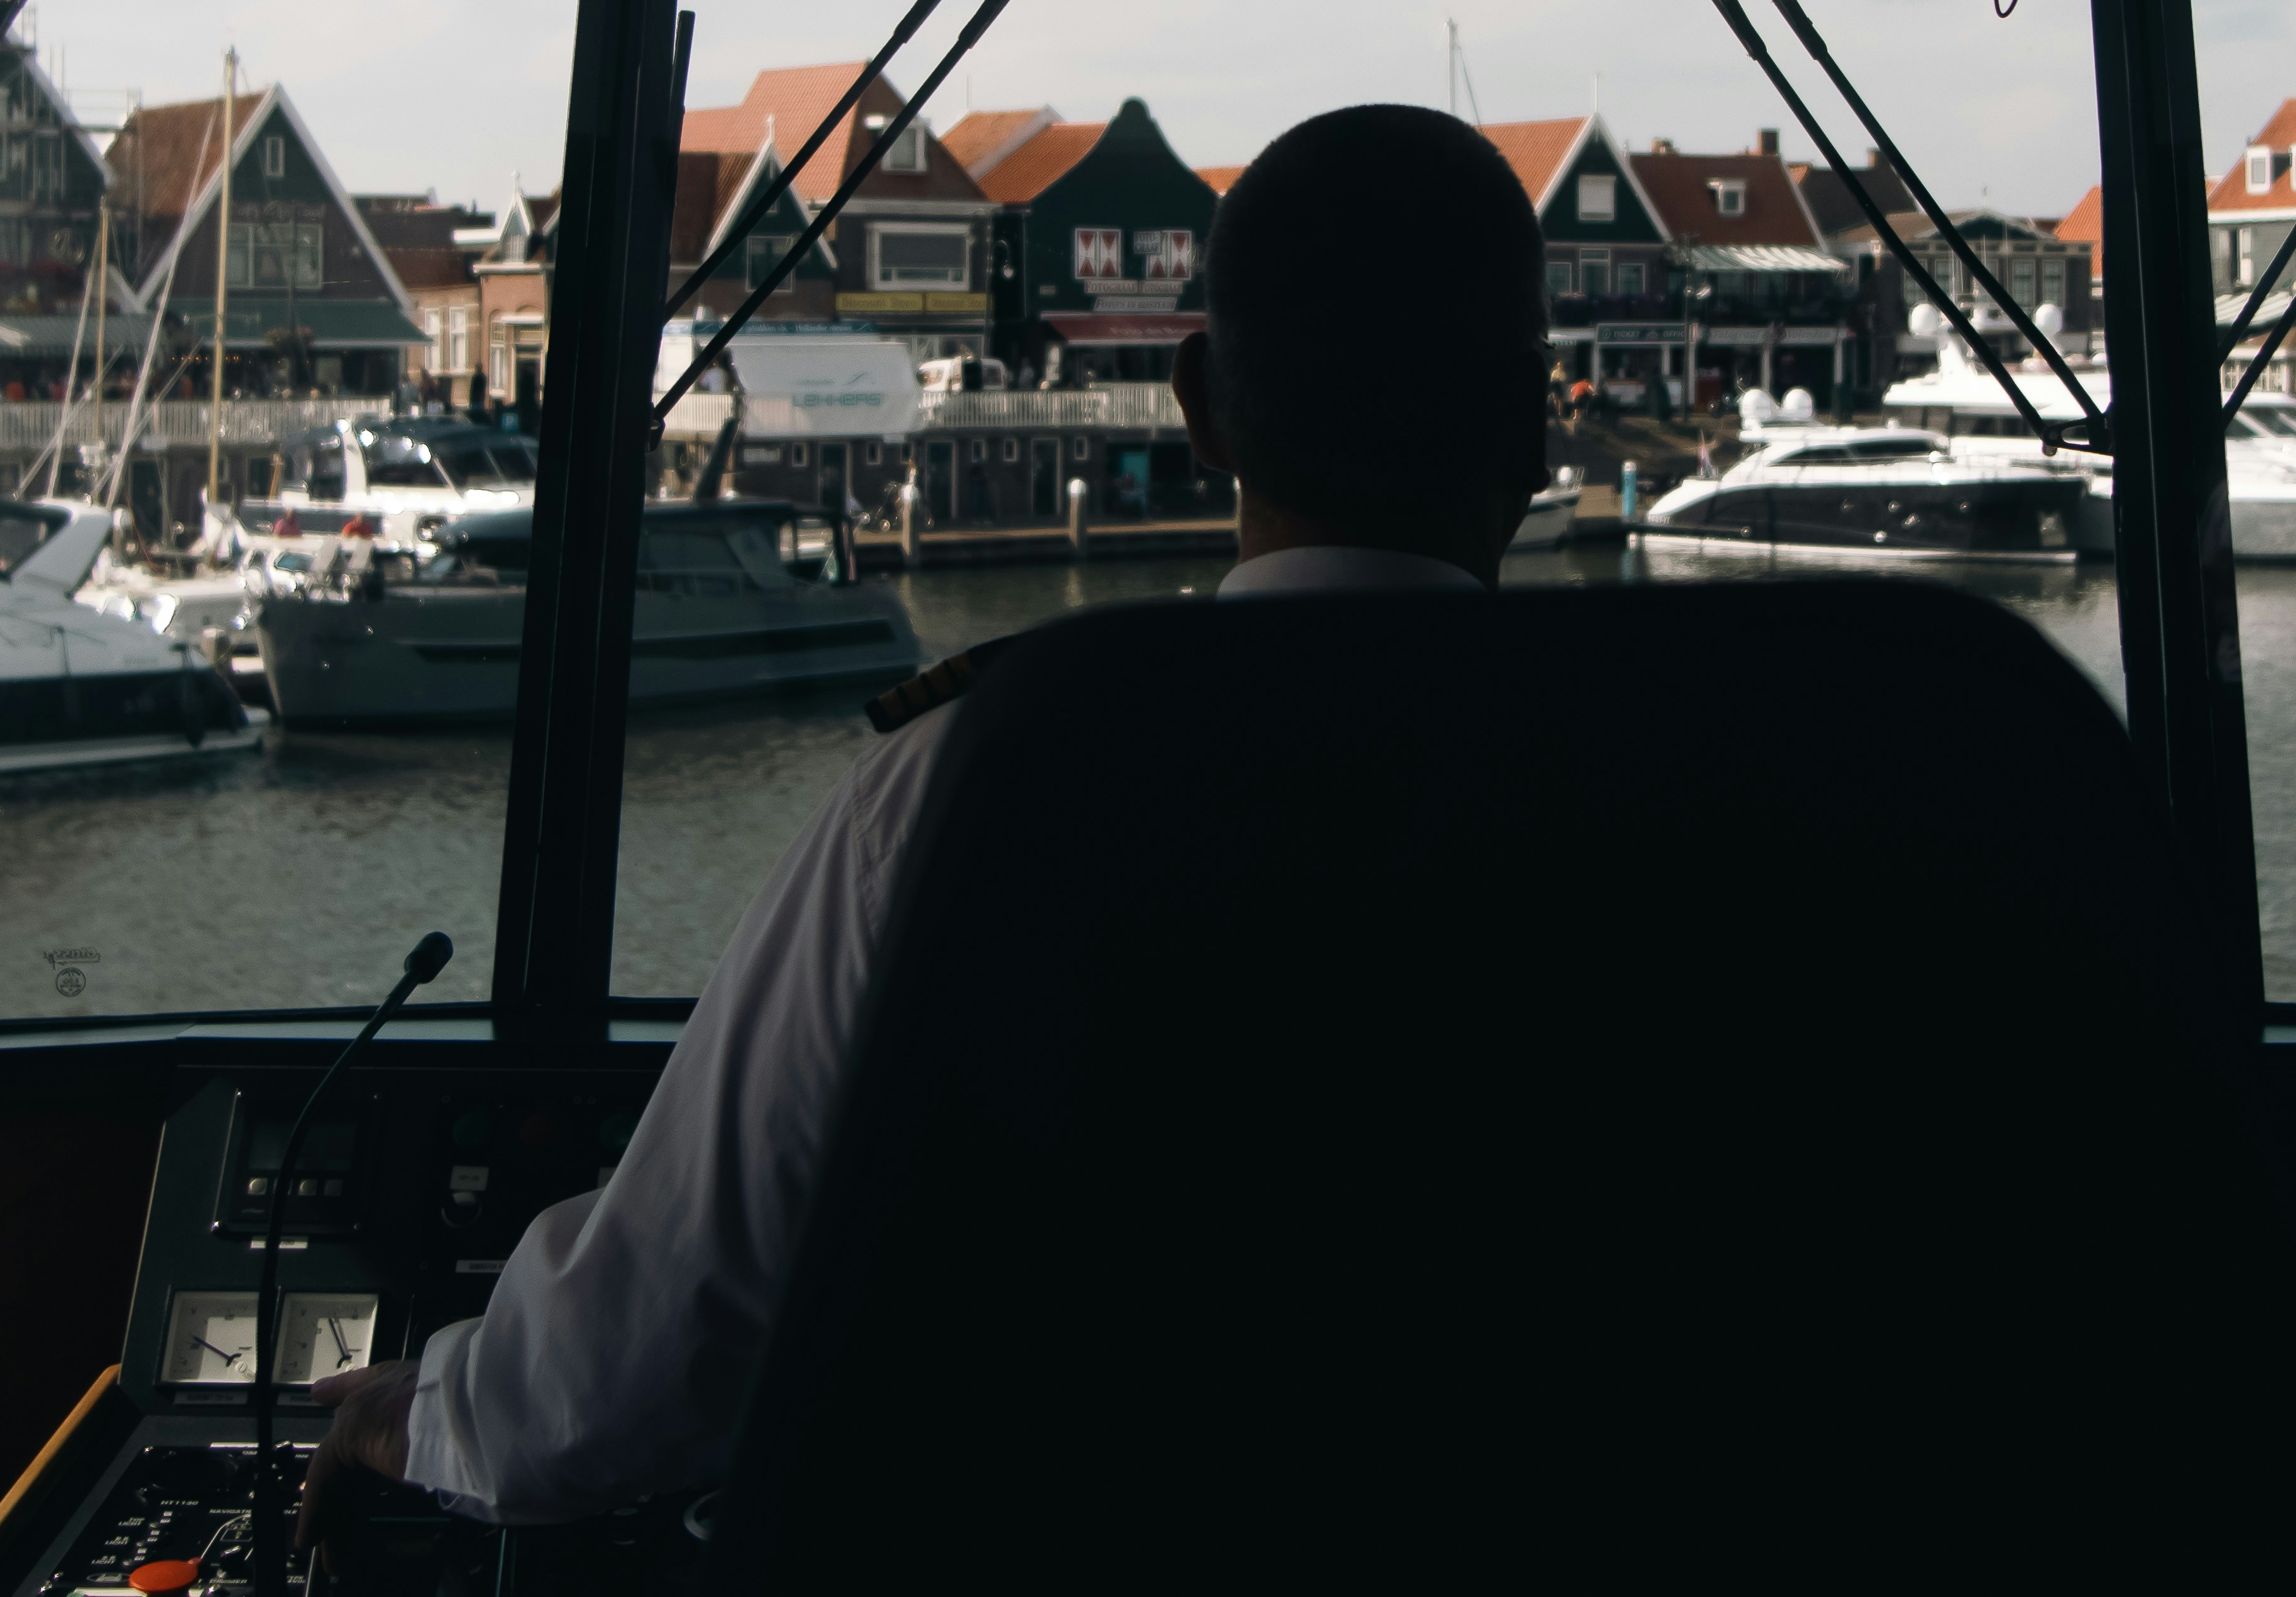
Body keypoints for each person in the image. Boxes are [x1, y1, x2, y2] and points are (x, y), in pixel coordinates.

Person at [308, 104, 1552, 1528]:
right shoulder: (1700, 806)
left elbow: (637, 1359)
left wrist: (429, 1414)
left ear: (1199, 406)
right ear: (1532, 421)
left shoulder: (971, 789)